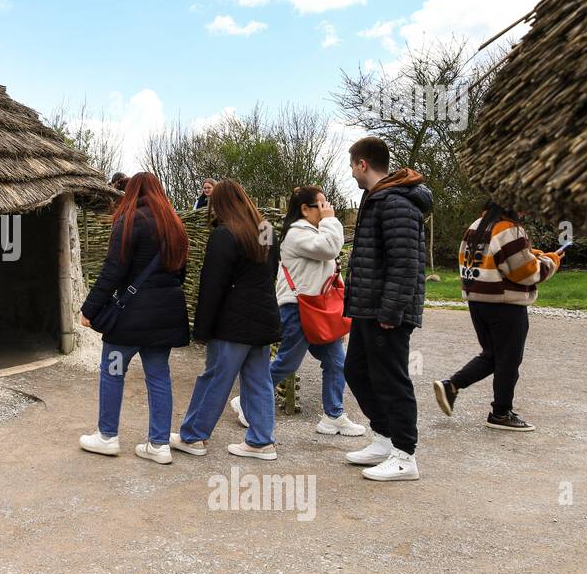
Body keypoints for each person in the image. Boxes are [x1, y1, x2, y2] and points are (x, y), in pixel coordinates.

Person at [230, 186, 365, 437]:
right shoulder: (296, 233)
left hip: (320, 309)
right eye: (321, 205)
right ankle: (245, 401)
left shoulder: (315, 230)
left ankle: (333, 416)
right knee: (286, 363)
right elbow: (330, 249)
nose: (326, 209)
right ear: (305, 209)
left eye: (328, 205)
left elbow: (328, 264)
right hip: (298, 307)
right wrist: (331, 220)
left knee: (336, 362)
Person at [78, 172, 191, 464]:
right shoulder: (175, 225)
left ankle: (107, 436)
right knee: (158, 376)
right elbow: (181, 274)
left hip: (129, 318)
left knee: (113, 370)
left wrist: (89, 309)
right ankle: (159, 445)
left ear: (132, 191)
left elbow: (112, 270)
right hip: (164, 316)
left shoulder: (129, 220)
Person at [341, 136, 433, 481]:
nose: (351, 172)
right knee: (357, 371)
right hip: (368, 307)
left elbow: (406, 263)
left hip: (387, 311)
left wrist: (392, 311)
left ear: (363, 164)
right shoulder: (376, 200)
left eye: (352, 165)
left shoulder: (396, 202)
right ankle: (383, 438)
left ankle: (405, 455)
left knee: (392, 379)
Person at [174, 179, 281, 460]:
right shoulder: (266, 229)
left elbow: (213, 285)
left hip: (233, 323)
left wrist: (202, 330)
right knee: (259, 380)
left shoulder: (225, 234)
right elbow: (271, 272)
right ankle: (261, 441)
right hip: (263, 317)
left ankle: (193, 436)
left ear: (218, 204)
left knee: (214, 379)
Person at [432, 203, 562, 431]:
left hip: (478, 302)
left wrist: (534, 255)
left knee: (493, 355)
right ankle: (501, 413)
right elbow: (527, 273)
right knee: (509, 360)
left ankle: (451, 386)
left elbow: (499, 258)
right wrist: (551, 261)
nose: (525, 211)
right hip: (505, 304)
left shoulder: (477, 226)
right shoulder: (509, 229)